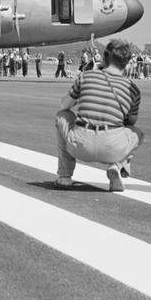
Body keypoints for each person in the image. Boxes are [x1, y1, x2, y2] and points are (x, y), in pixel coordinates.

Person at [54, 39, 144, 192]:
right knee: (136, 132)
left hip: (80, 144)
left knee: (61, 116)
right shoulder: (132, 89)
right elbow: (131, 121)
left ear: (104, 58)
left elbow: (64, 106)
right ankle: (117, 165)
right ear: (128, 63)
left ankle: (64, 176)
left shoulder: (86, 77)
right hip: (112, 148)